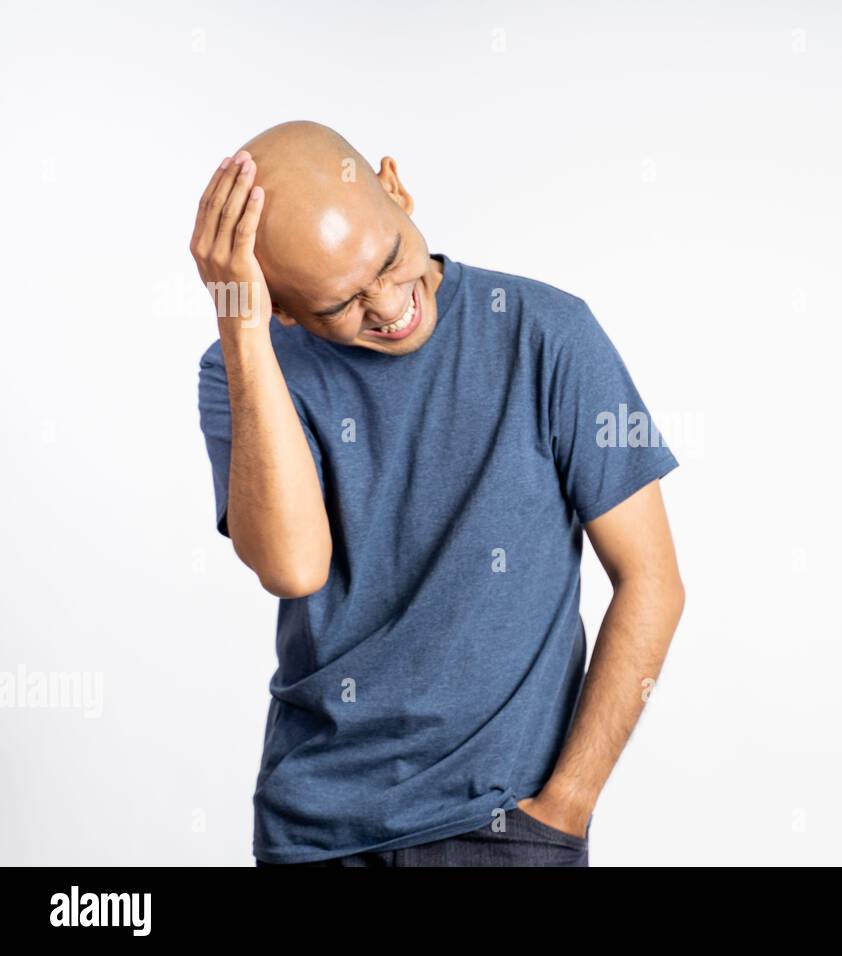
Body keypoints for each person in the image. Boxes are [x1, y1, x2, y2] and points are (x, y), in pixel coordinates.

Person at [192, 121, 684, 866]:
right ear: (283, 307)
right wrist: (242, 331)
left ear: (395, 188)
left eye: (391, 261)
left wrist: (563, 811)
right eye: (342, 304)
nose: (390, 307)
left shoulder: (548, 333)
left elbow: (653, 582)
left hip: (503, 830)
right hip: (314, 832)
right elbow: (293, 567)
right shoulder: (242, 371)